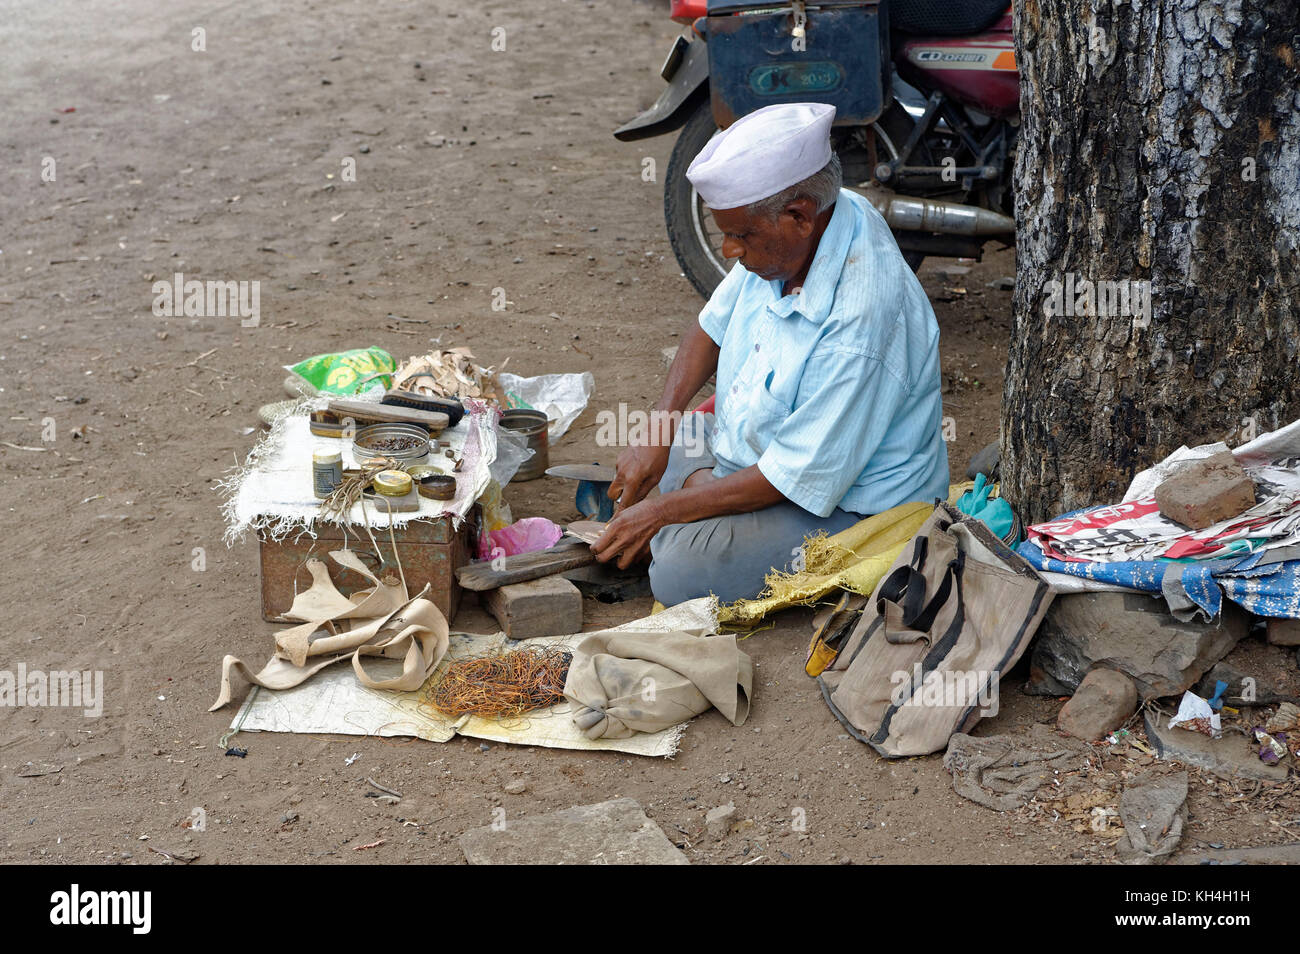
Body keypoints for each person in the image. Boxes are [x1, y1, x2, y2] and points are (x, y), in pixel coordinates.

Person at [592, 102, 949, 605]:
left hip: (846, 505)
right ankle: (703, 498)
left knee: (676, 571)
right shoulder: (806, 228)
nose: (729, 252)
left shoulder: (861, 318)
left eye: (740, 236)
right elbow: (707, 329)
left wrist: (664, 512)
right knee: (679, 429)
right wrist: (657, 429)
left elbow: (790, 478)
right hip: (759, 456)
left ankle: (694, 507)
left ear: (800, 216)